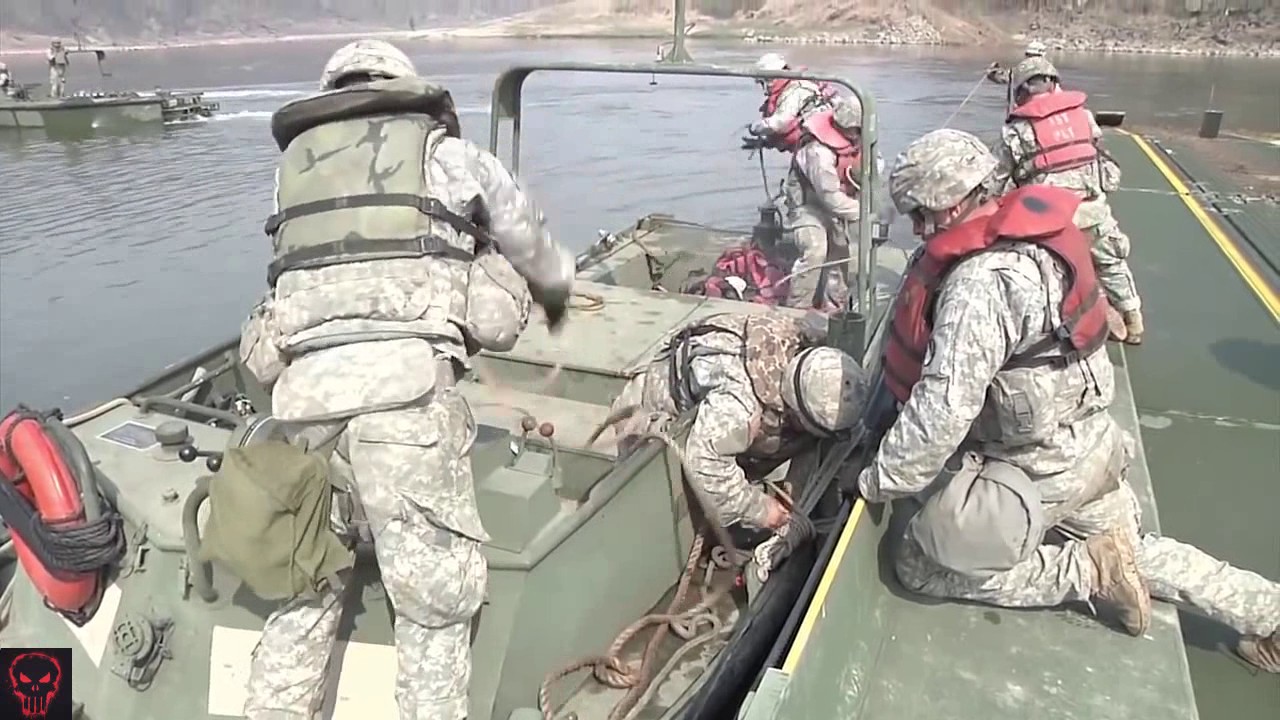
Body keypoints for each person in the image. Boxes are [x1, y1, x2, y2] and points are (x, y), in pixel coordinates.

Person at [854, 128, 1278, 674]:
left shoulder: (981, 284)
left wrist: (876, 482)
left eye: (919, 212)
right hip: (1094, 444)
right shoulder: (1035, 234)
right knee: (1141, 549)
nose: (916, 227)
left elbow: (943, 412)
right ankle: (1272, 614)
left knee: (917, 562)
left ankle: (1086, 573)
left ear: (951, 202)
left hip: (1034, 468)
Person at [237, 39, 577, 719]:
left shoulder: (292, 174)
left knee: (302, 592)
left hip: (302, 413)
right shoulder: (446, 155)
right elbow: (526, 236)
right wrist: (549, 285)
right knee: (433, 613)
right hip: (407, 409)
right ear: (405, 88)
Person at [608, 311, 866, 579]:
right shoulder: (739, 407)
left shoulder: (806, 347)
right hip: (649, 412)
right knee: (644, 519)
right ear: (797, 413)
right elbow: (706, 467)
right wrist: (760, 509)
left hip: (709, 416)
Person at [994, 56, 1145, 343]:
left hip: (1050, 223)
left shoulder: (1015, 131)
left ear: (1023, 91)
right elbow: (1098, 156)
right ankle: (1133, 319)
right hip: (1094, 210)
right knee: (1112, 264)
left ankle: (1078, 320)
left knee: (1051, 273)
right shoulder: (1084, 116)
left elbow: (997, 181)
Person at [781, 100, 872, 311]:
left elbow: (875, 169)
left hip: (840, 207)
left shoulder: (861, 142)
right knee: (816, 250)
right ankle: (797, 309)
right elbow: (830, 197)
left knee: (842, 253)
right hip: (807, 208)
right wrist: (864, 213)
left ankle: (834, 308)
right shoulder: (818, 152)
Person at [747, 52, 836, 153]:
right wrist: (765, 142)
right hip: (816, 143)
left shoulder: (795, 89)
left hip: (818, 148)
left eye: (763, 83)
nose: (764, 89)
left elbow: (780, 122)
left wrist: (755, 127)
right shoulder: (794, 86)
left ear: (770, 79)